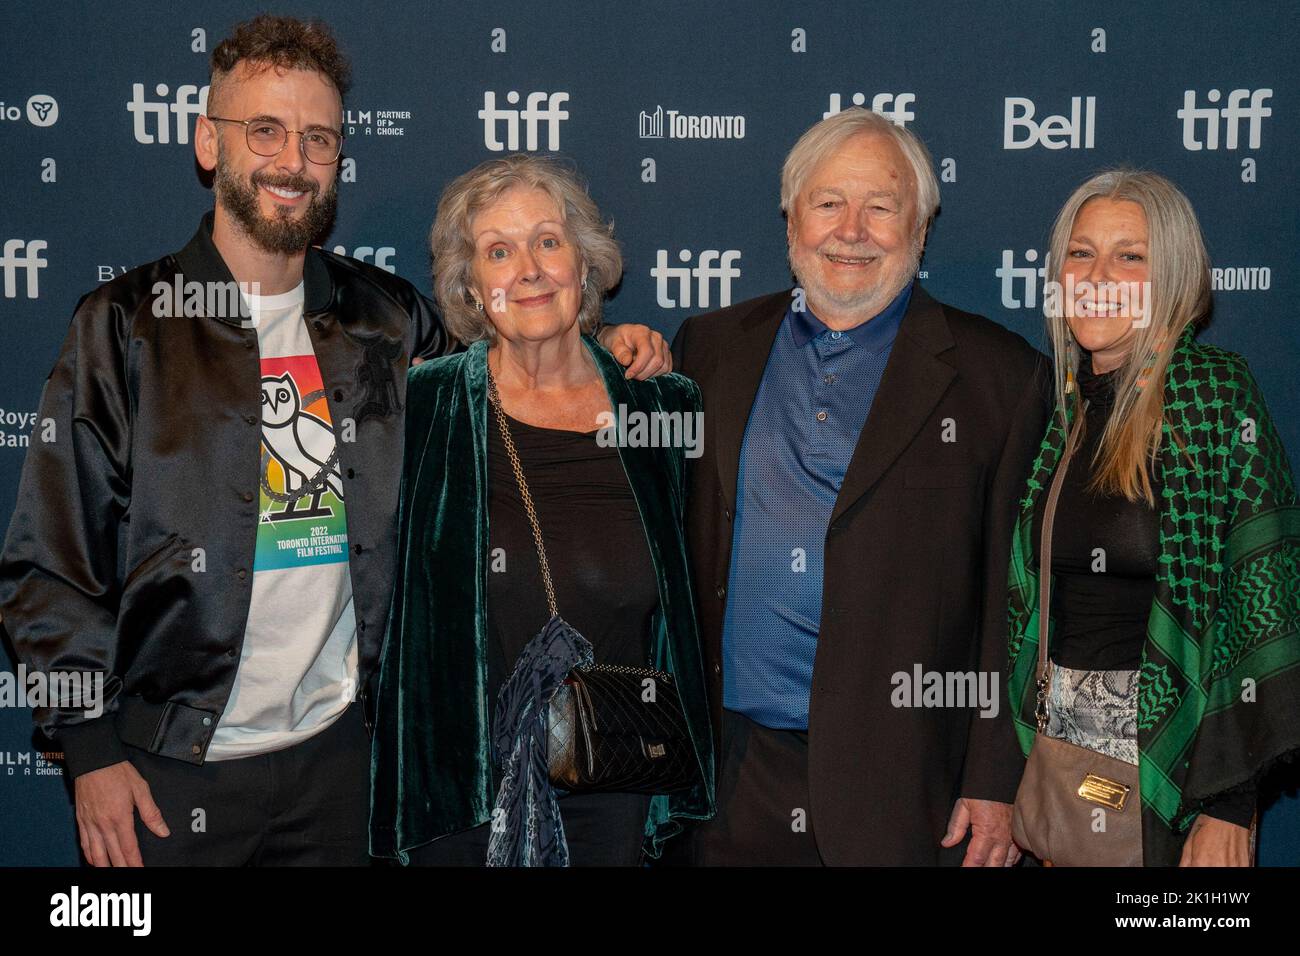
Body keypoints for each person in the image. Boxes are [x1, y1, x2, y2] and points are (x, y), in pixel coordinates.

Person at [0, 15, 667, 867]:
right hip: (168, 771)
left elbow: (510, 380)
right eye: (265, 131)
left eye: (318, 139)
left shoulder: (385, 320)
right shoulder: (124, 327)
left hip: (347, 766)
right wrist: (87, 750)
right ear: (210, 143)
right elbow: (49, 559)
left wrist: (607, 351)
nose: (293, 161)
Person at [670, 107, 1050, 865]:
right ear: (791, 220)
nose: (852, 230)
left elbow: (1016, 604)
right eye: (828, 203)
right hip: (725, 777)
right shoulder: (708, 347)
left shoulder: (1001, 379)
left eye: (881, 207)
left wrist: (994, 779)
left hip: (903, 787)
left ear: (919, 228)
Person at [369, 154, 714, 866]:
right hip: (464, 796)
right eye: (499, 251)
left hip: (619, 782)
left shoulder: (661, 406)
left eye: (547, 242)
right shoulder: (423, 405)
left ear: (583, 266)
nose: (528, 269)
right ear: (470, 285)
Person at [1007, 169, 1300, 867]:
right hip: (1068, 771)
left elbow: (1260, 594)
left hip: (1179, 783)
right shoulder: (1068, 408)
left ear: (1173, 276)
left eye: (1129, 256)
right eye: (1081, 253)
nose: (1097, 273)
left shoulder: (1211, 395)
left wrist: (1228, 807)